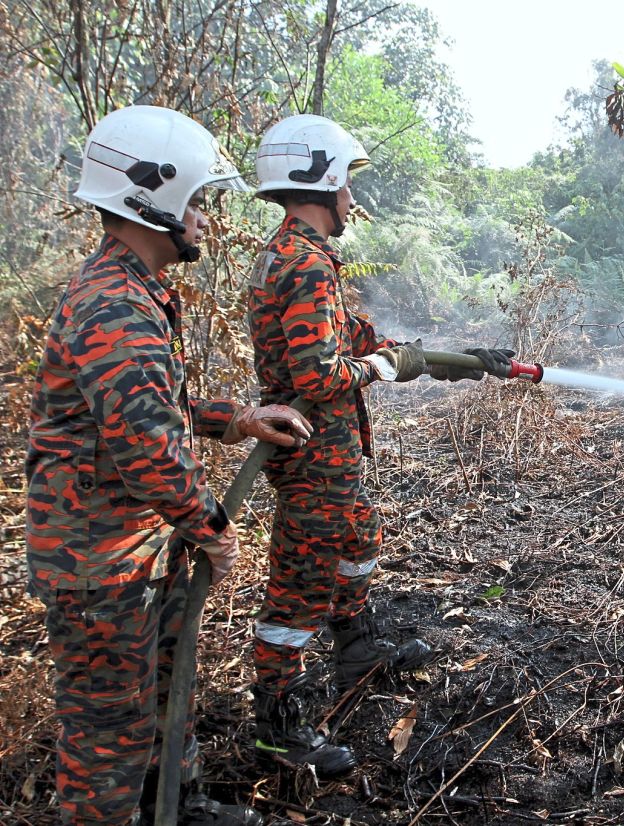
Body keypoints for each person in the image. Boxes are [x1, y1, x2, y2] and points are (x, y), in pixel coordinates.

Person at [25, 105, 314, 825]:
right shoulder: (114, 308)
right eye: (198, 202)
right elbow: (148, 450)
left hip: (133, 552)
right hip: (98, 566)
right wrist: (210, 525)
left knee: (160, 693)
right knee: (107, 732)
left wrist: (238, 418)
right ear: (154, 198)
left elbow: (156, 409)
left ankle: (171, 807)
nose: (206, 221)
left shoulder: (135, 295)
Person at [245, 113, 515, 775]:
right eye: (346, 186)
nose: (352, 201)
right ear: (323, 180)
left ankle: (360, 650)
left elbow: (362, 340)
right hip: (311, 456)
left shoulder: (299, 259)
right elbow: (320, 373)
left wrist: (465, 358)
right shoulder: (302, 266)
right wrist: (373, 368)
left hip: (327, 457)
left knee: (359, 542)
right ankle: (278, 727)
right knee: (299, 590)